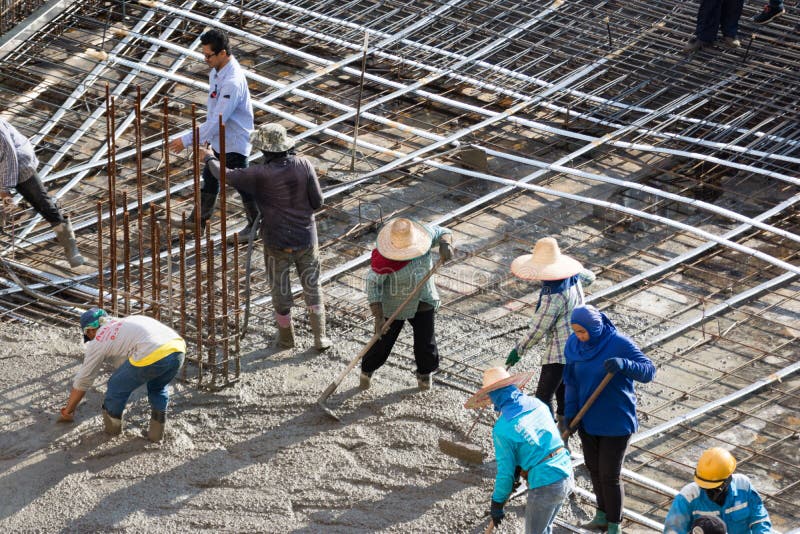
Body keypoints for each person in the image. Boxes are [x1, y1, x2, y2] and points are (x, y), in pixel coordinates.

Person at [201, 123, 331, 351]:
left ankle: (286, 339)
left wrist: (209, 157)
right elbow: (318, 202)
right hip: (306, 238)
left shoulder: (259, 173)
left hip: (276, 241)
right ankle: (320, 338)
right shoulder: (304, 164)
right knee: (312, 285)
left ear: (265, 150)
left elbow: (226, 175)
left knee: (280, 290)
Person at [562, 305, 656, 534]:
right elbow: (571, 382)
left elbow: (649, 370)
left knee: (609, 474)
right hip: (588, 418)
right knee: (593, 468)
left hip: (616, 420)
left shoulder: (618, 343)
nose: (579, 337)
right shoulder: (574, 346)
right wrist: (570, 413)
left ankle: (615, 525)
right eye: (575, 331)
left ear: (594, 327)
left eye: (583, 332)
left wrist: (625, 365)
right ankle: (601, 516)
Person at [168, 28, 255, 239]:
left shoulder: (232, 82)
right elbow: (213, 113)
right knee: (209, 179)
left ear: (223, 53)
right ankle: (198, 222)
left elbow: (218, 119)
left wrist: (187, 140)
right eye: (204, 54)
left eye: (209, 55)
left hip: (233, 142)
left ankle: (256, 225)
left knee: (242, 184)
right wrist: (206, 139)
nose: (205, 59)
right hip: (219, 139)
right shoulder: (216, 72)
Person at [464, 366, 572, 534]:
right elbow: (541, 441)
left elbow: (505, 473)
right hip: (565, 471)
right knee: (544, 529)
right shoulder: (538, 404)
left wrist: (497, 502)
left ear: (494, 395)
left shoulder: (502, 428)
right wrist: (519, 468)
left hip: (546, 482)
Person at [505, 237, 595, 432]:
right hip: (576, 346)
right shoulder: (573, 277)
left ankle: (548, 436)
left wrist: (519, 350)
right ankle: (564, 436)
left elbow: (539, 328)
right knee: (563, 392)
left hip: (559, 352)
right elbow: (591, 277)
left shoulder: (553, 294)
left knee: (543, 397)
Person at [58, 308, 186, 442]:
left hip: (152, 351)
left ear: (89, 330)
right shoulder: (127, 322)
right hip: (178, 349)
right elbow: (124, 363)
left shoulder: (98, 340)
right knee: (158, 388)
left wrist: (68, 412)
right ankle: (156, 436)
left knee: (115, 385)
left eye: (88, 337)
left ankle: (112, 433)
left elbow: (83, 380)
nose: (90, 339)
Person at [359, 217, 453, 390]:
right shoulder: (383, 261)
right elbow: (373, 285)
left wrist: (446, 245)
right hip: (394, 303)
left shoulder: (423, 237)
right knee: (383, 342)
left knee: (426, 341)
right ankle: (367, 371)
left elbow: (443, 231)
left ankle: (424, 376)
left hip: (423, 297)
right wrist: (378, 316)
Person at [0, 118, 84, 267]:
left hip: (20, 164)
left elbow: (9, 158)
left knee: (43, 203)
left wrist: (5, 190)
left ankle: (70, 247)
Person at [663, 447, 772, 534]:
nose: (709, 491)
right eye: (705, 486)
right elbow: (673, 530)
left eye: (714, 487)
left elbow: (759, 520)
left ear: (728, 479)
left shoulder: (743, 486)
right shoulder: (688, 497)